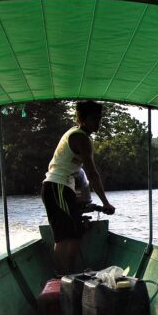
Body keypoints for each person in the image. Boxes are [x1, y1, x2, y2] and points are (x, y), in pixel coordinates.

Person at [42, 100, 115, 274]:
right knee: (68, 235)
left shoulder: (79, 134)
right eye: (93, 119)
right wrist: (106, 203)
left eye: (99, 118)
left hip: (60, 187)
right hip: (57, 186)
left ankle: (66, 274)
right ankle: (64, 276)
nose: (97, 123)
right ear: (82, 119)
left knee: (71, 234)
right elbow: (92, 173)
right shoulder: (80, 137)